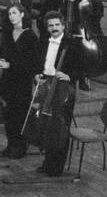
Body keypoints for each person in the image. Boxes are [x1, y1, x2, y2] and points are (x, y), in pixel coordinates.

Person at [35, 13, 85, 177]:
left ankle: (57, 167)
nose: (54, 28)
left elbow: (82, 66)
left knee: (61, 127)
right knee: (48, 125)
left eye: (57, 25)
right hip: (47, 84)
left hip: (63, 87)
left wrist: (70, 76)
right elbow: (38, 62)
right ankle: (47, 162)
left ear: (63, 26)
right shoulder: (44, 41)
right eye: (51, 25)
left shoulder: (72, 44)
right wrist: (37, 74)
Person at [0, 3, 39, 159]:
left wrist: (9, 64)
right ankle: (10, 144)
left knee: (19, 115)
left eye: (14, 13)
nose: (11, 16)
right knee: (9, 115)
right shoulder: (8, 33)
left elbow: (31, 64)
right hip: (7, 81)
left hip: (21, 82)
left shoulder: (30, 36)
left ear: (22, 14)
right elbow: (1, 52)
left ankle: (20, 146)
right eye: (10, 13)